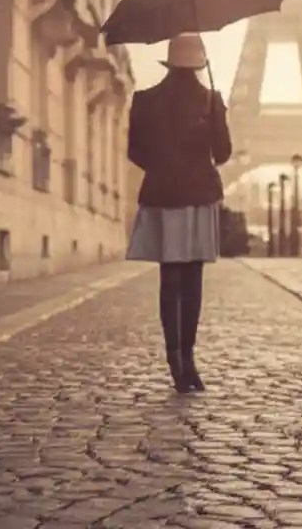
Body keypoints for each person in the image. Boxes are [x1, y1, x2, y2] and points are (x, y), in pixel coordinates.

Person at [126, 33, 233, 393]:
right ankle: (189, 359)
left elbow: (135, 152)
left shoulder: (144, 100)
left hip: (162, 195)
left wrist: (163, 166)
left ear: (170, 62)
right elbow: (224, 153)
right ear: (200, 64)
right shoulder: (209, 99)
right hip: (198, 195)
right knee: (193, 280)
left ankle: (174, 358)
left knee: (169, 278)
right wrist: (219, 115)